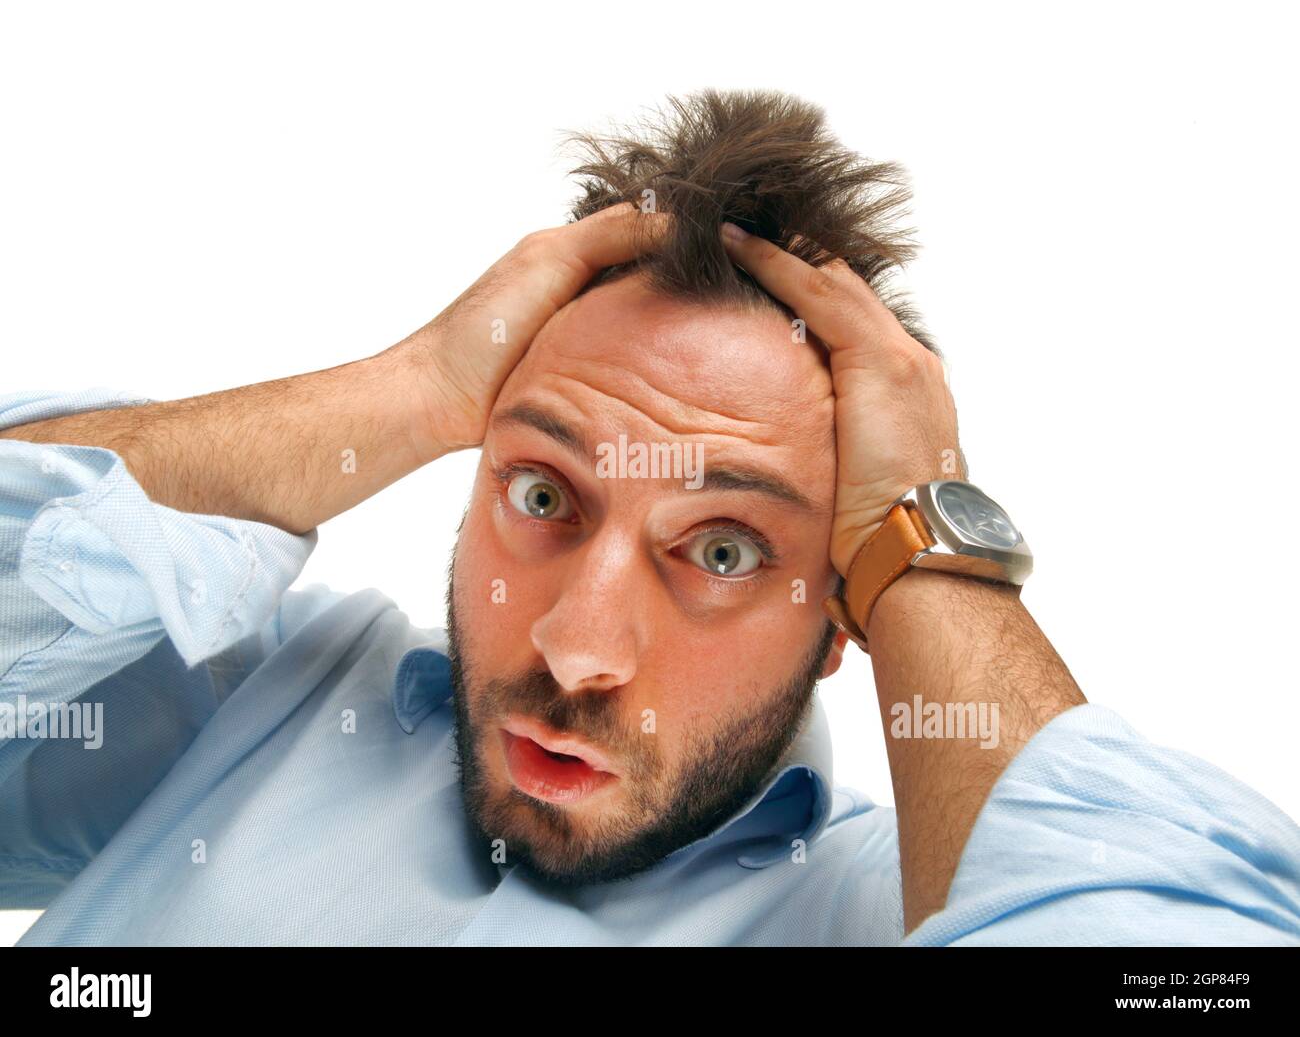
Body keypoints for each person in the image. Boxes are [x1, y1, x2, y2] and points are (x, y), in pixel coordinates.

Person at [2, 89, 1297, 946]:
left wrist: (927, 554)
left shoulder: (878, 913)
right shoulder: (240, 714)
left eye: (724, 551)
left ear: (846, 612)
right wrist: (412, 388)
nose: (575, 649)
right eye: (544, 494)